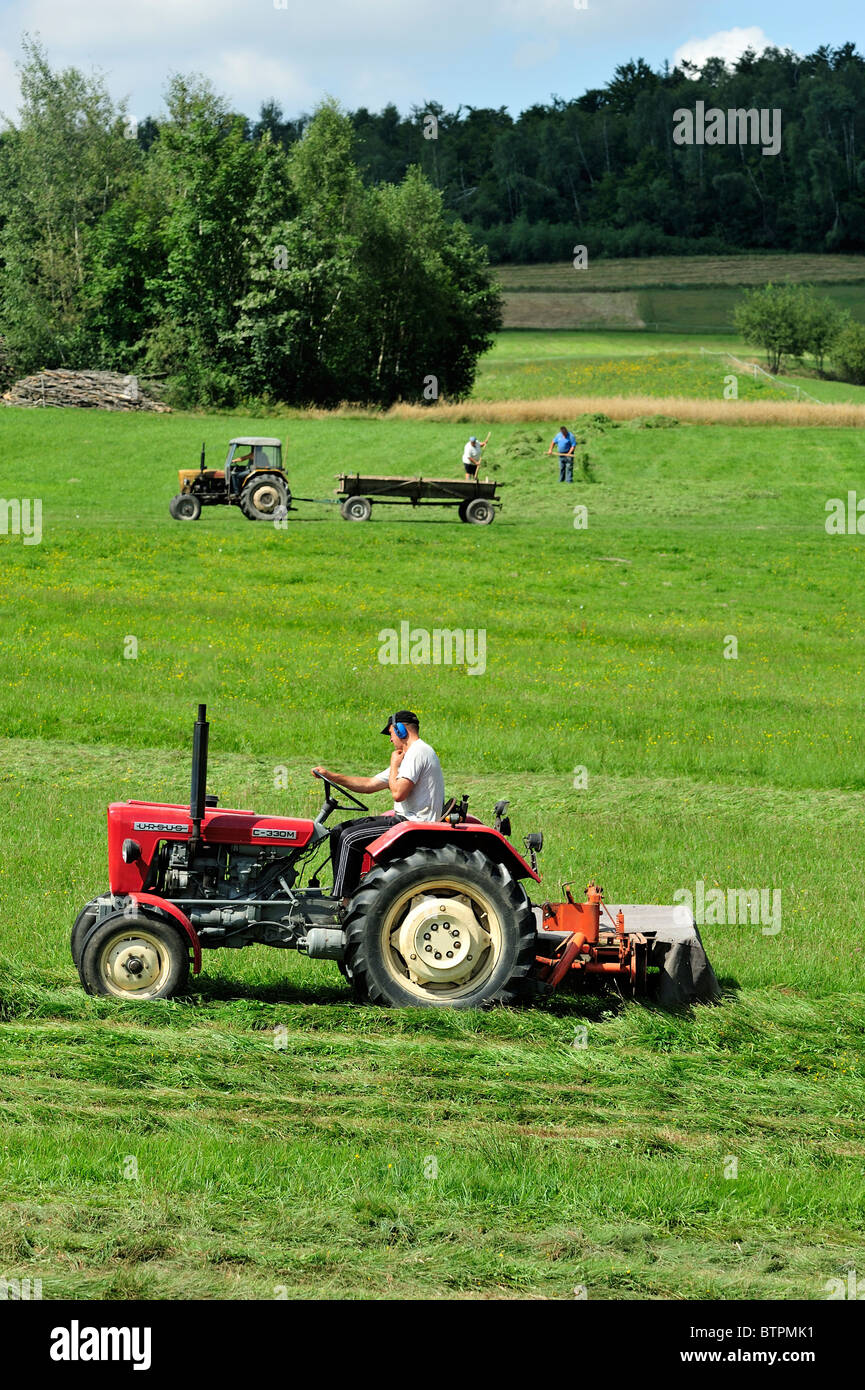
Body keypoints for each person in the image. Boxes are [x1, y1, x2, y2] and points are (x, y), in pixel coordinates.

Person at [312, 710, 445, 900]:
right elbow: (368, 785)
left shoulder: (418, 752)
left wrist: (393, 766)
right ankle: (343, 894)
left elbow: (398, 793)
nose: (391, 740)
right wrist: (331, 775)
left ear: (400, 731)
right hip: (404, 820)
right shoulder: (409, 756)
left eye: (391, 734)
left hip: (412, 824)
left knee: (350, 838)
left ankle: (344, 902)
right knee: (339, 831)